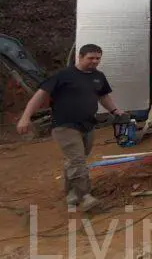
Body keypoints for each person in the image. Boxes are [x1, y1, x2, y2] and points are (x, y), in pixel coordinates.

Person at [17, 44, 126, 211]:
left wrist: (115, 110)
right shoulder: (64, 75)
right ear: (80, 57)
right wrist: (25, 118)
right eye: (91, 58)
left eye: (98, 58)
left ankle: (72, 194)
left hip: (88, 125)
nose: (95, 61)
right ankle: (86, 196)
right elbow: (39, 96)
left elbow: (103, 96)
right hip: (65, 126)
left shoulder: (98, 77)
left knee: (76, 160)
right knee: (77, 160)